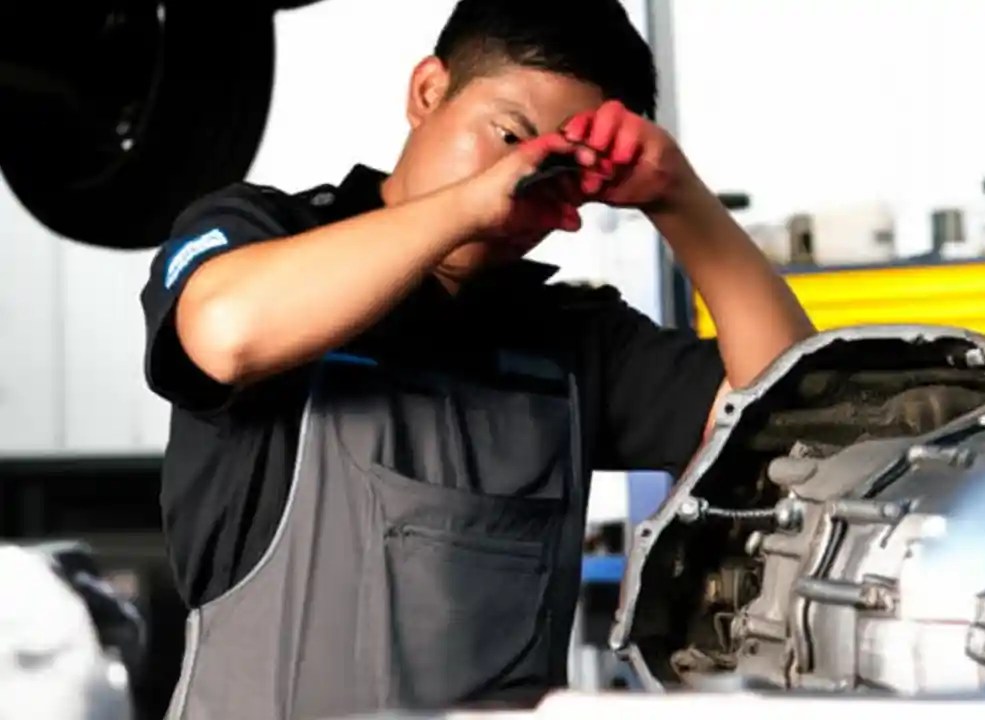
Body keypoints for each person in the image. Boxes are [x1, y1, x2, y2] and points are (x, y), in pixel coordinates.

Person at [140, 0, 814, 717]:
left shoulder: (572, 339)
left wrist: (680, 200)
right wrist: (471, 204)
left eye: (556, 169)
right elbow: (225, 331)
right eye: (509, 135)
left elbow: (795, 413)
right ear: (428, 91)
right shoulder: (263, 235)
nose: (522, 176)